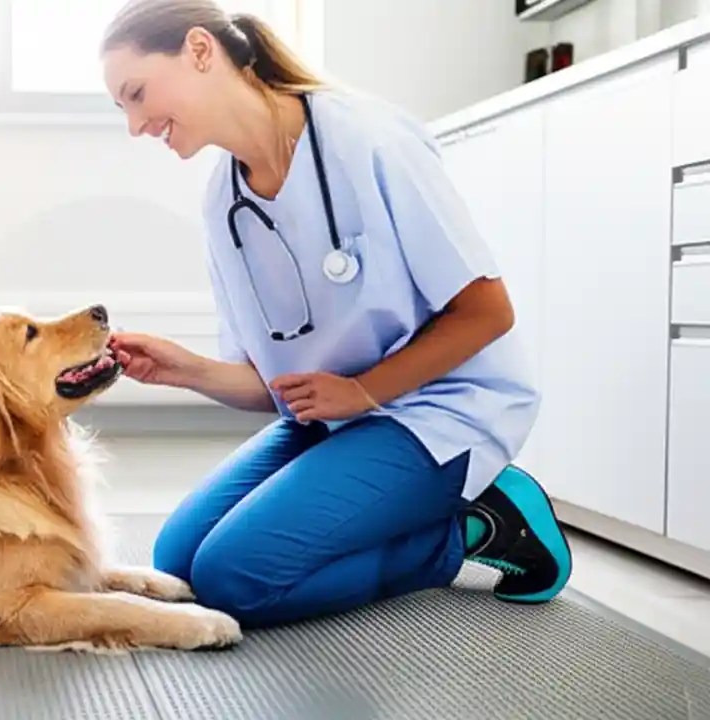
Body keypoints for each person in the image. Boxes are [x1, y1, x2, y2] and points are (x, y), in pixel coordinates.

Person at [98, 0, 572, 629]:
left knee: (232, 578)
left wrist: (362, 390)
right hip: (342, 419)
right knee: (178, 562)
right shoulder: (225, 202)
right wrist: (187, 371)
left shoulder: (368, 138)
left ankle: (471, 530)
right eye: (122, 108)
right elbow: (278, 386)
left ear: (201, 51)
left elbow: (487, 311)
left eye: (137, 94)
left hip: (442, 412)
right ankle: (394, 509)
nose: (135, 125)